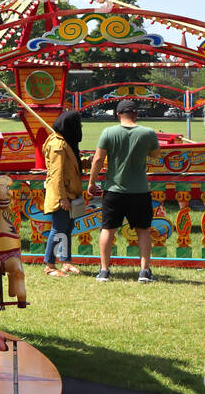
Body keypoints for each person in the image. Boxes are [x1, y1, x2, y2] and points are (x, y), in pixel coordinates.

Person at [85, 99, 159, 283]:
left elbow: (97, 160)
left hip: (113, 190)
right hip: (140, 190)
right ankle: (144, 271)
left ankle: (104, 271)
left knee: (108, 229)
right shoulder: (148, 133)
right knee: (143, 230)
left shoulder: (108, 132)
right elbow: (156, 155)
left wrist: (91, 182)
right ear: (137, 114)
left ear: (117, 114)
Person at [42, 110, 85, 277]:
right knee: (58, 229)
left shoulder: (65, 142)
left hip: (71, 194)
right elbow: (56, 174)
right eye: (78, 125)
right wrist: (62, 198)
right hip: (62, 195)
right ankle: (50, 265)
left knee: (66, 229)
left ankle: (66, 262)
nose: (80, 128)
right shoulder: (57, 145)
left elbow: (69, 166)